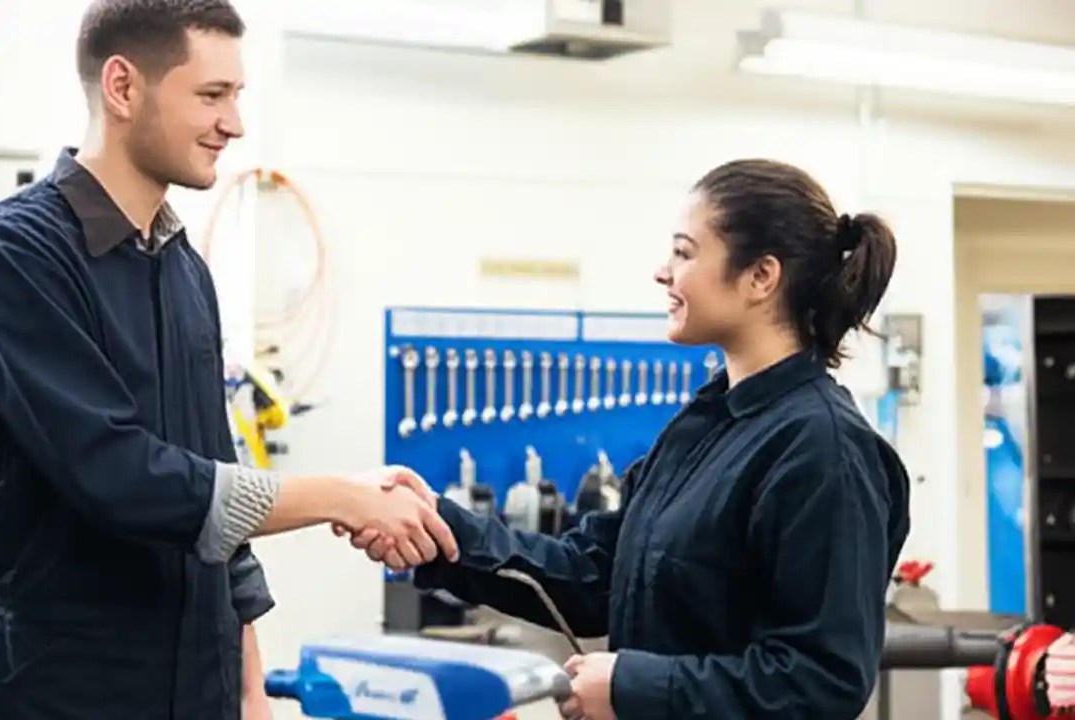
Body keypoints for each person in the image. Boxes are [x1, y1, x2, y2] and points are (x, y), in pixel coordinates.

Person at [0, 2, 456, 719]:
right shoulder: (19, 257)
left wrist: (249, 690)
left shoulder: (181, 269)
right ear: (122, 88)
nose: (234, 124)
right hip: (68, 688)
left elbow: (215, 482)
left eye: (236, 96)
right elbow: (120, 475)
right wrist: (337, 495)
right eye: (212, 95)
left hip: (198, 684)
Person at [342, 159, 912, 719]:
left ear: (761, 277)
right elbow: (594, 574)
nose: (663, 272)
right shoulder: (707, 425)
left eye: (684, 253)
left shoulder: (824, 451)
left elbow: (820, 683)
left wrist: (634, 686)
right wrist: (438, 528)